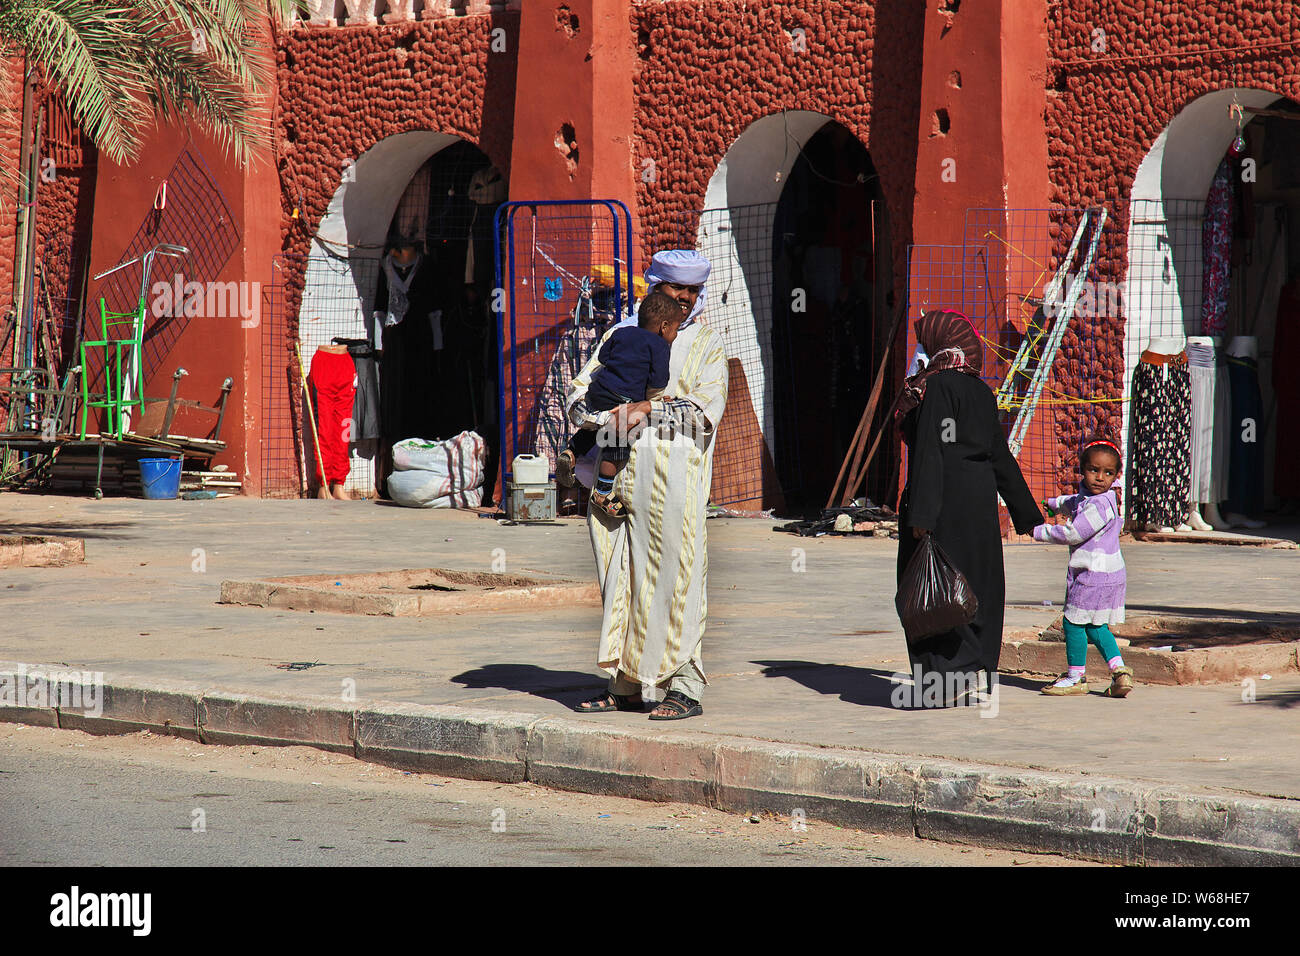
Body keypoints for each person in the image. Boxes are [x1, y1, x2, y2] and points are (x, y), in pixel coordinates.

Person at [566, 250, 726, 720]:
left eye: (693, 292)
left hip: (677, 484)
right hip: (615, 485)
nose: (686, 300)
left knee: (679, 582)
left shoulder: (707, 343)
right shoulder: (619, 334)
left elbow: (703, 413)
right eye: (678, 292)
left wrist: (649, 409)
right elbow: (579, 393)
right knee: (621, 581)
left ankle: (685, 688)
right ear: (656, 288)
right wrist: (605, 415)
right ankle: (626, 685)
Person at [896, 309, 1043, 704]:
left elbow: (930, 452)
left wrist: (922, 517)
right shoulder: (981, 390)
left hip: (945, 502)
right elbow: (1000, 455)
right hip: (978, 503)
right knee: (976, 584)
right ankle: (974, 670)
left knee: (937, 588)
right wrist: (1025, 513)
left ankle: (940, 684)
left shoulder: (939, 387)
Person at [555, 292, 678, 518]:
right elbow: (659, 381)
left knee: (597, 427)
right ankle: (602, 493)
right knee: (616, 441)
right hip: (624, 400)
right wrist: (652, 401)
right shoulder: (660, 346)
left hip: (598, 393)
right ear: (664, 326)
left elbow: (602, 357)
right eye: (675, 330)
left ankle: (571, 452)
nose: (675, 335)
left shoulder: (621, 332)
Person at [1032, 438, 1134, 698]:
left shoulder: (1101, 505)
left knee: (1073, 623)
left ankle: (1076, 677)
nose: (1100, 477)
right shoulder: (1092, 497)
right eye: (1093, 470)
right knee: (1096, 625)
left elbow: (1075, 532)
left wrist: (1039, 531)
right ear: (1082, 470)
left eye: (1108, 473)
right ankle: (1120, 671)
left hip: (1093, 575)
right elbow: (1076, 501)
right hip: (1107, 574)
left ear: (1115, 475)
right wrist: (1054, 503)